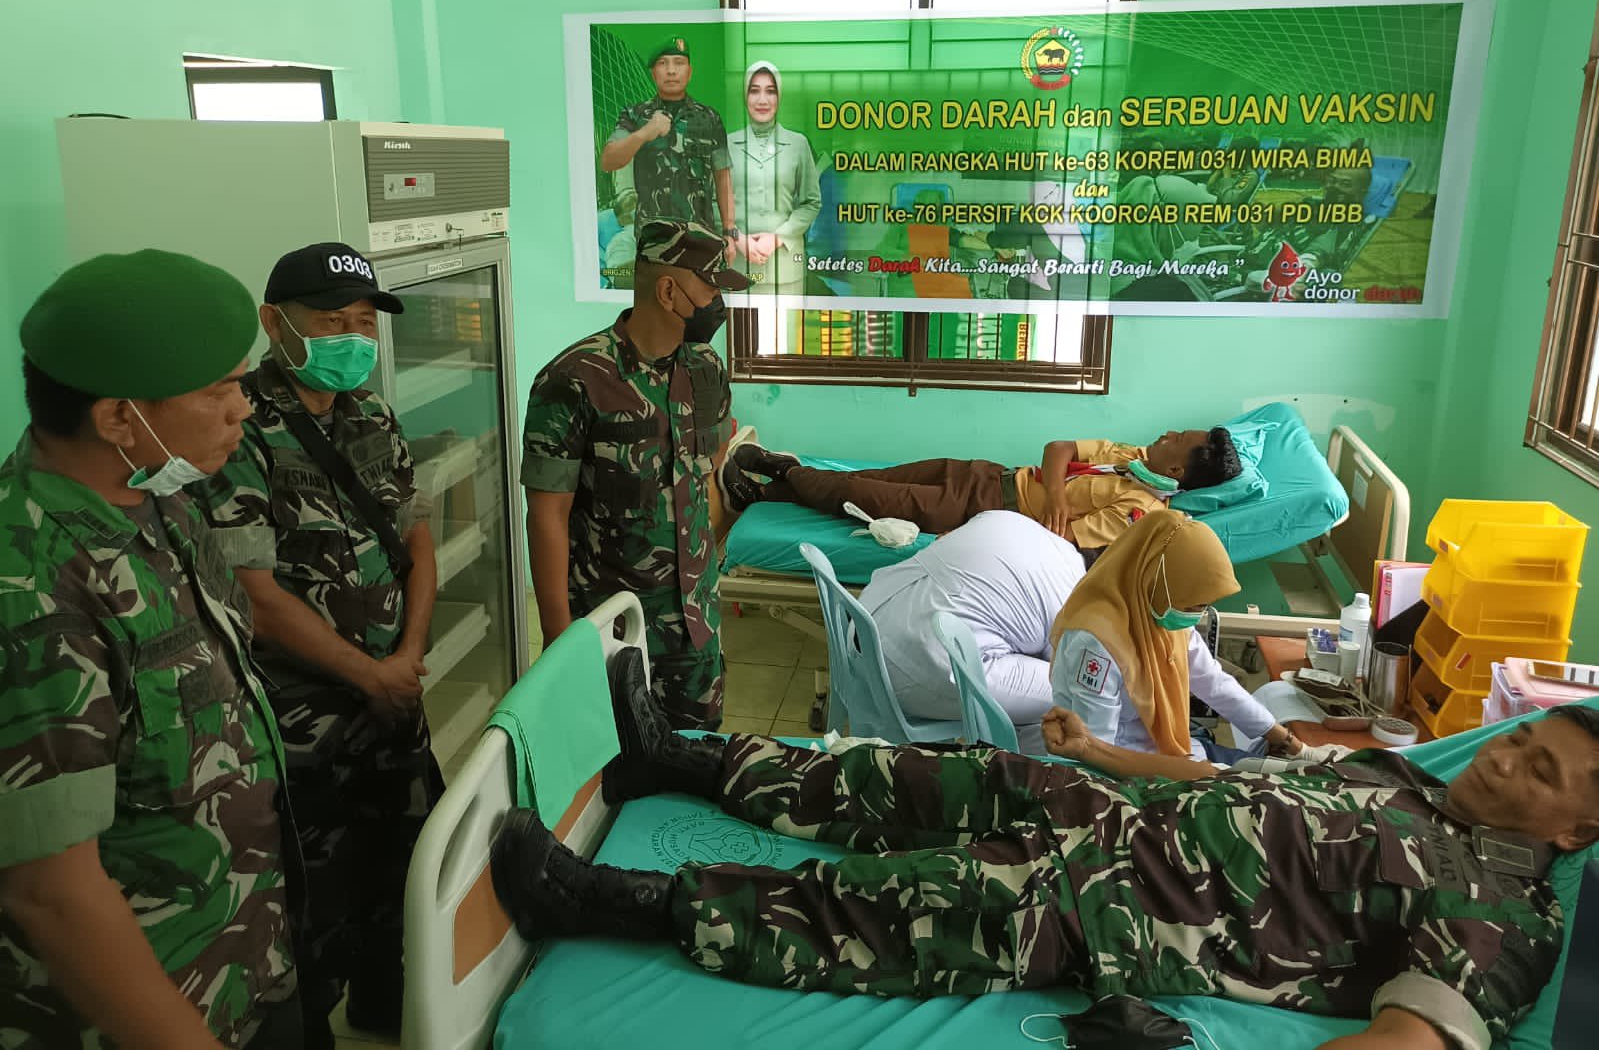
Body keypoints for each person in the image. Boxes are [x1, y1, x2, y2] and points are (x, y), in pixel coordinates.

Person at [492, 650, 1599, 1050]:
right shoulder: (1407, 776)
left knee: (880, 906)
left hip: (1116, 911)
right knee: (901, 770)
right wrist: (1109, 761)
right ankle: (672, 761)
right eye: (1523, 748)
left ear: (1576, 833)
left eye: (1539, 776)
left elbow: (1413, 1042)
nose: (1503, 765)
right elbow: (1235, 779)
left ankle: (598, 901)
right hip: (1106, 814)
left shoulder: (1506, 914)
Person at [0, 249, 299, 1049]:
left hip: (246, 956)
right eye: (218, 390)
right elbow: (51, 895)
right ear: (118, 418)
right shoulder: (27, 595)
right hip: (147, 1013)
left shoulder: (160, 498)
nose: (244, 408)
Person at [193, 242, 443, 1049]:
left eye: (364, 323)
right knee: (308, 897)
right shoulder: (239, 431)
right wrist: (372, 673)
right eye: (332, 322)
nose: (353, 338)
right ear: (276, 324)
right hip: (298, 719)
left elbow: (418, 538)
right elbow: (256, 599)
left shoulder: (371, 412)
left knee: (402, 867)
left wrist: (405, 656)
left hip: (392, 693)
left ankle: (387, 1001)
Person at [522, 220, 749, 730]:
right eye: (710, 286)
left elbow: (705, 476)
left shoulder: (707, 368)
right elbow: (546, 516)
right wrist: (560, 639)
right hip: (610, 627)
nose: (717, 301)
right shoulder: (574, 379)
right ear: (668, 290)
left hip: (694, 630)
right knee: (611, 777)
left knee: (694, 764)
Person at [1049, 508, 1301, 764]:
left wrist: (1289, 741)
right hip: (1130, 769)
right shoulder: (1097, 645)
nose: (1196, 615)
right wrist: (1191, 773)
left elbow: (1213, 682)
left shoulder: (1159, 612)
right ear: (1155, 581)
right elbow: (1096, 751)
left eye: (1202, 606)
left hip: (1171, 748)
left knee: (1282, 770)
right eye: (1192, 606)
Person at [722, 427, 1241, 550]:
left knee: (867, 494)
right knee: (874, 480)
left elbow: (1062, 541)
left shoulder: (1140, 508)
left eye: (1179, 440)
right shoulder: (1130, 457)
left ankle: (778, 473)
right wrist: (1058, 495)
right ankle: (768, 494)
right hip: (983, 473)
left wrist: (1052, 503)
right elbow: (1058, 448)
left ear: (1179, 473)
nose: (1169, 433)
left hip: (977, 509)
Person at [860, 510, 1086, 754]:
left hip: (866, 618)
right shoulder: (1078, 604)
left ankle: (1005, 755)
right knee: (1076, 697)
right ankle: (1016, 770)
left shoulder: (1015, 522)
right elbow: (1073, 675)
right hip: (909, 665)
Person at [600, 36, 737, 239]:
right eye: (663, 63)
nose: (671, 70)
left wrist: (729, 231)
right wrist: (644, 133)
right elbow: (608, 161)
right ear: (653, 73)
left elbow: (722, 175)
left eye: (679, 63)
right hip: (652, 239)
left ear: (689, 72)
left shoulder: (709, 118)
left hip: (701, 237)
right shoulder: (634, 114)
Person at [727, 61, 822, 295]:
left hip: (786, 270)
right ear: (744, 96)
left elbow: (811, 202)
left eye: (770, 91)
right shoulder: (726, 144)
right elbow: (712, 203)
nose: (762, 100)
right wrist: (738, 239)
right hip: (737, 268)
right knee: (740, 332)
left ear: (779, 97)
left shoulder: (798, 144)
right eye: (754, 90)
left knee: (786, 333)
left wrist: (778, 237)